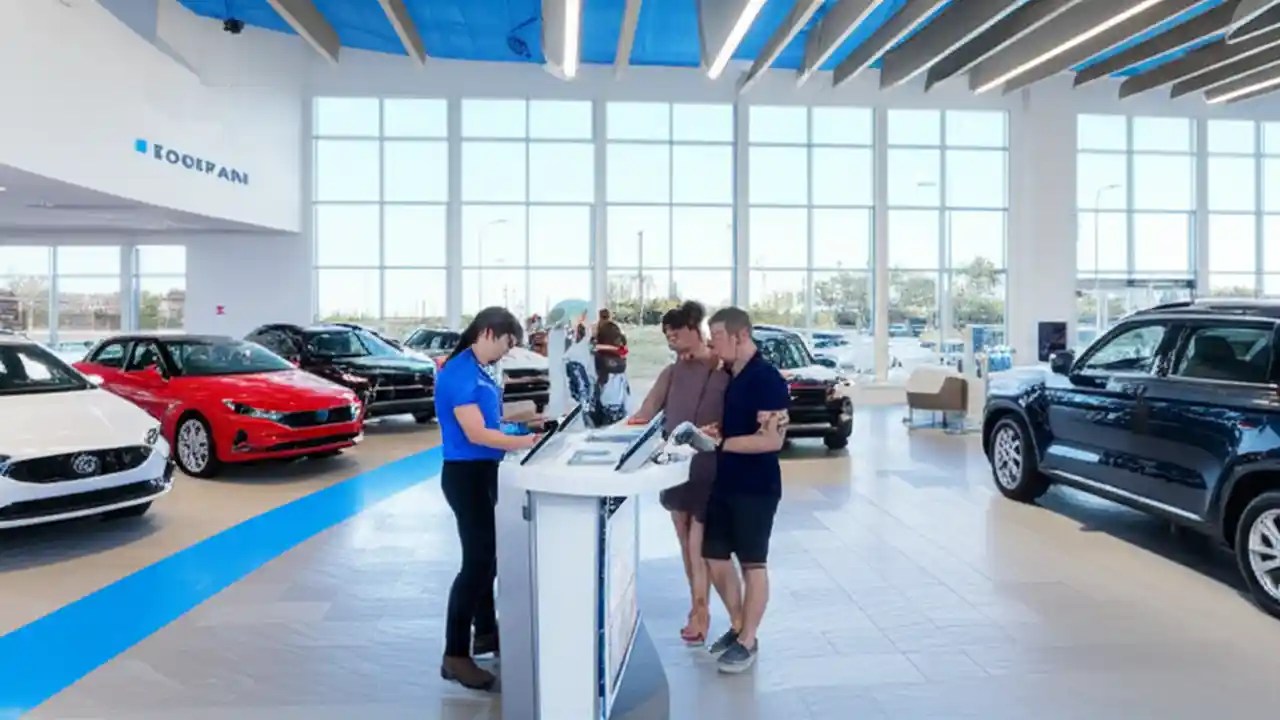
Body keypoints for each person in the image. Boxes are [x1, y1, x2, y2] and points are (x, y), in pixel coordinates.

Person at [434, 306, 541, 691]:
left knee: (488, 558)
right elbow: (477, 434)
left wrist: (525, 424)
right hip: (466, 476)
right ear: (489, 332)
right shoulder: (459, 373)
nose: (507, 352)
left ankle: (485, 632)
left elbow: (491, 423)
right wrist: (526, 441)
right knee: (476, 565)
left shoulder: (480, 371)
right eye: (507, 343)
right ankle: (455, 655)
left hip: (484, 472)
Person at [630, 301, 728, 645]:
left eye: (676, 331)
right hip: (675, 465)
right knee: (684, 534)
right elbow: (644, 412)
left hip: (710, 464)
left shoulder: (723, 367)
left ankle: (701, 609)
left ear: (694, 328)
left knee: (698, 538)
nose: (671, 338)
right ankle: (696, 603)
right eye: (667, 334)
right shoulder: (671, 373)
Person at [700, 306, 789, 674]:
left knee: (753, 562)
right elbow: (740, 427)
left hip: (756, 486)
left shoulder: (766, 379)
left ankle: (749, 638)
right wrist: (716, 432)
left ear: (740, 336)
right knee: (715, 556)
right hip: (726, 481)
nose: (713, 344)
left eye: (717, 337)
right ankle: (738, 626)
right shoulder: (733, 376)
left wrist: (721, 445)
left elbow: (771, 440)